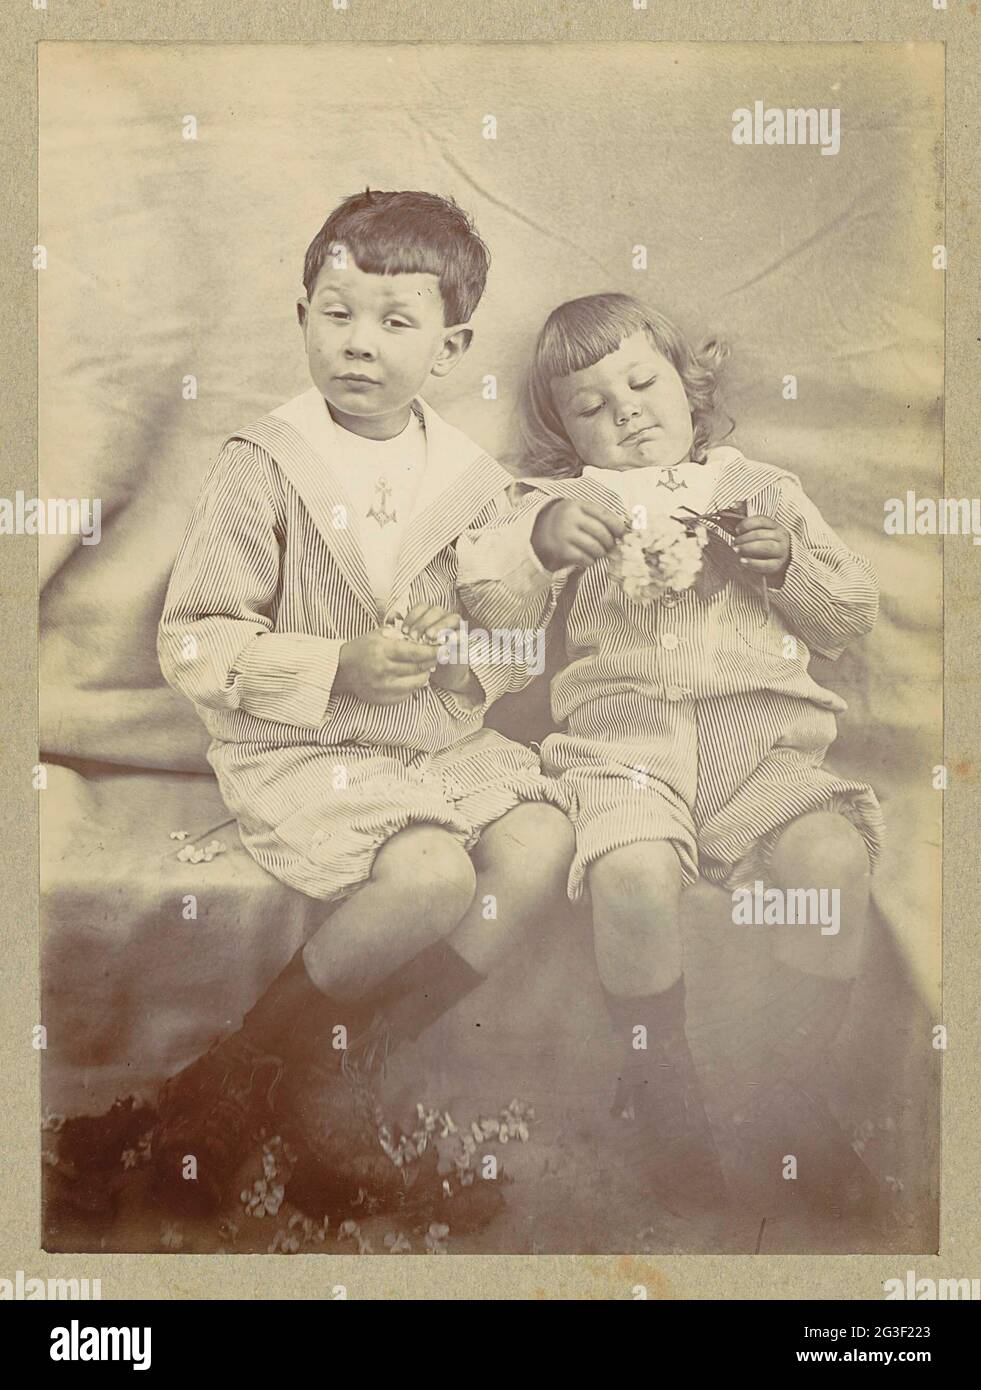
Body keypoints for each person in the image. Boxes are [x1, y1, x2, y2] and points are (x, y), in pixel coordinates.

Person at [154, 190, 575, 1220]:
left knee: (543, 841)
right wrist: (334, 665)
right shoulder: (264, 467)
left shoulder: (473, 481)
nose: (359, 344)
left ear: (450, 344)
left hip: (430, 743)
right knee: (431, 874)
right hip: (306, 745)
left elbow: (509, 643)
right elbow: (194, 637)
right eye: (336, 313)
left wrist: (473, 652)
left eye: (396, 321)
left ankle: (340, 1063)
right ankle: (239, 1075)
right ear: (302, 315)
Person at [457, 291, 884, 1220]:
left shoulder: (758, 491)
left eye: (642, 383)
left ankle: (791, 1093)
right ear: (562, 433)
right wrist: (538, 548)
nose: (625, 412)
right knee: (633, 877)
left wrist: (784, 569)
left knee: (833, 858)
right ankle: (661, 1087)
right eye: (589, 407)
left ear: (688, 384)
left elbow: (847, 619)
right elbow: (491, 612)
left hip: (763, 745)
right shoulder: (564, 505)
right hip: (626, 752)